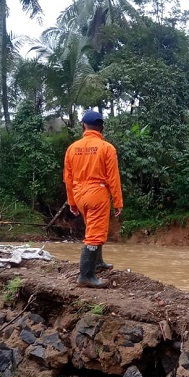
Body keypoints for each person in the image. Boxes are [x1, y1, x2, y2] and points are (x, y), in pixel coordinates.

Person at [63, 111, 123, 288]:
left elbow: (68, 179)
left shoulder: (72, 148)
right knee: (95, 234)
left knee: (93, 227)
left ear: (83, 126)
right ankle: (86, 276)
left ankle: (98, 263)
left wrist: (72, 202)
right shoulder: (107, 148)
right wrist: (118, 202)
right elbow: (113, 177)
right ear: (101, 128)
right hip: (97, 193)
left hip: (80, 194)